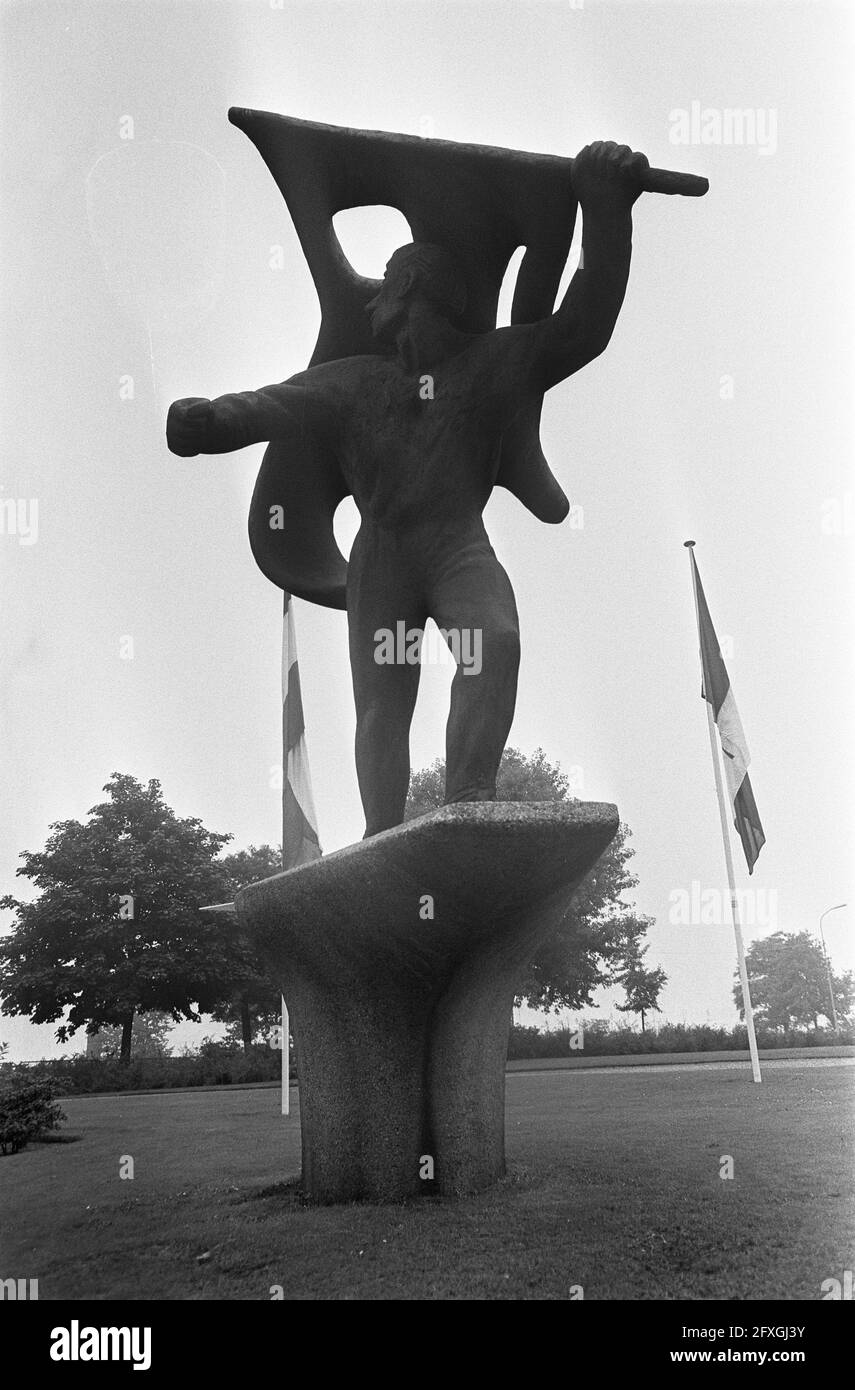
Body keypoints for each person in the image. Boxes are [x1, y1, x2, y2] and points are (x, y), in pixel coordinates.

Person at [167, 141, 648, 836]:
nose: (370, 305)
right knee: (386, 703)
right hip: (386, 558)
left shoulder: (496, 365)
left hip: (456, 549)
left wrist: (606, 210)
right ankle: (383, 836)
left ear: (411, 291)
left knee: (495, 642)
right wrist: (203, 421)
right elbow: (263, 406)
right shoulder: (352, 383)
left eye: (385, 287)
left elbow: (585, 322)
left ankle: (467, 800)